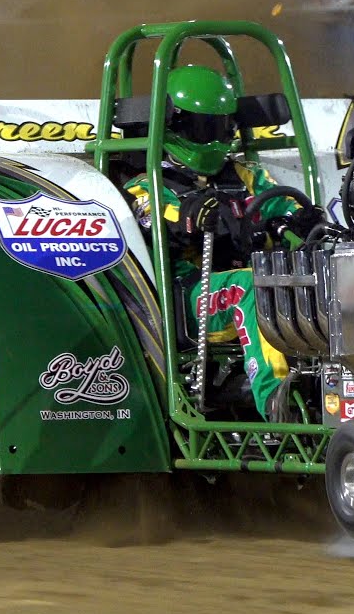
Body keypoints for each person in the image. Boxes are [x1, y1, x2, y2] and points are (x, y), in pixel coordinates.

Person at [123, 64, 322, 421]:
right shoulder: (146, 184)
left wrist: (303, 220)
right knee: (251, 285)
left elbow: (284, 203)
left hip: (252, 282)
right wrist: (190, 214)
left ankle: (345, 390)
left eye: (222, 127)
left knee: (326, 267)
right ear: (176, 127)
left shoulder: (246, 175)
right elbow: (159, 215)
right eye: (204, 128)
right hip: (185, 299)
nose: (215, 139)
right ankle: (279, 403)